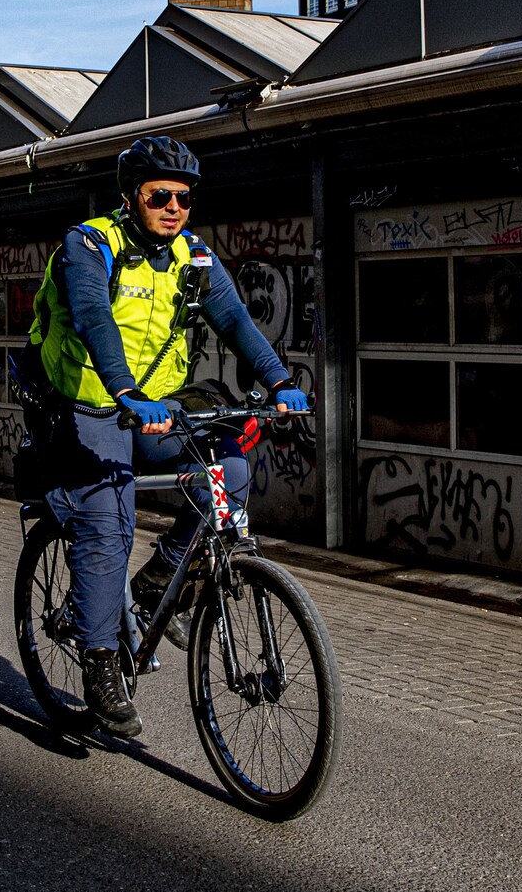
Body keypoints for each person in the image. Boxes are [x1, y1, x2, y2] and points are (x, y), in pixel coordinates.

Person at [21, 135, 309, 737]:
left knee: (227, 470)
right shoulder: (88, 246)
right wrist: (126, 392)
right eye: (160, 196)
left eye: (183, 197)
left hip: (151, 410)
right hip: (83, 407)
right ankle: (100, 664)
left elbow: (233, 319)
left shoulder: (193, 257)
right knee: (108, 524)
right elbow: (95, 320)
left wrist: (280, 380)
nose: (174, 207)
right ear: (131, 197)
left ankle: (157, 585)